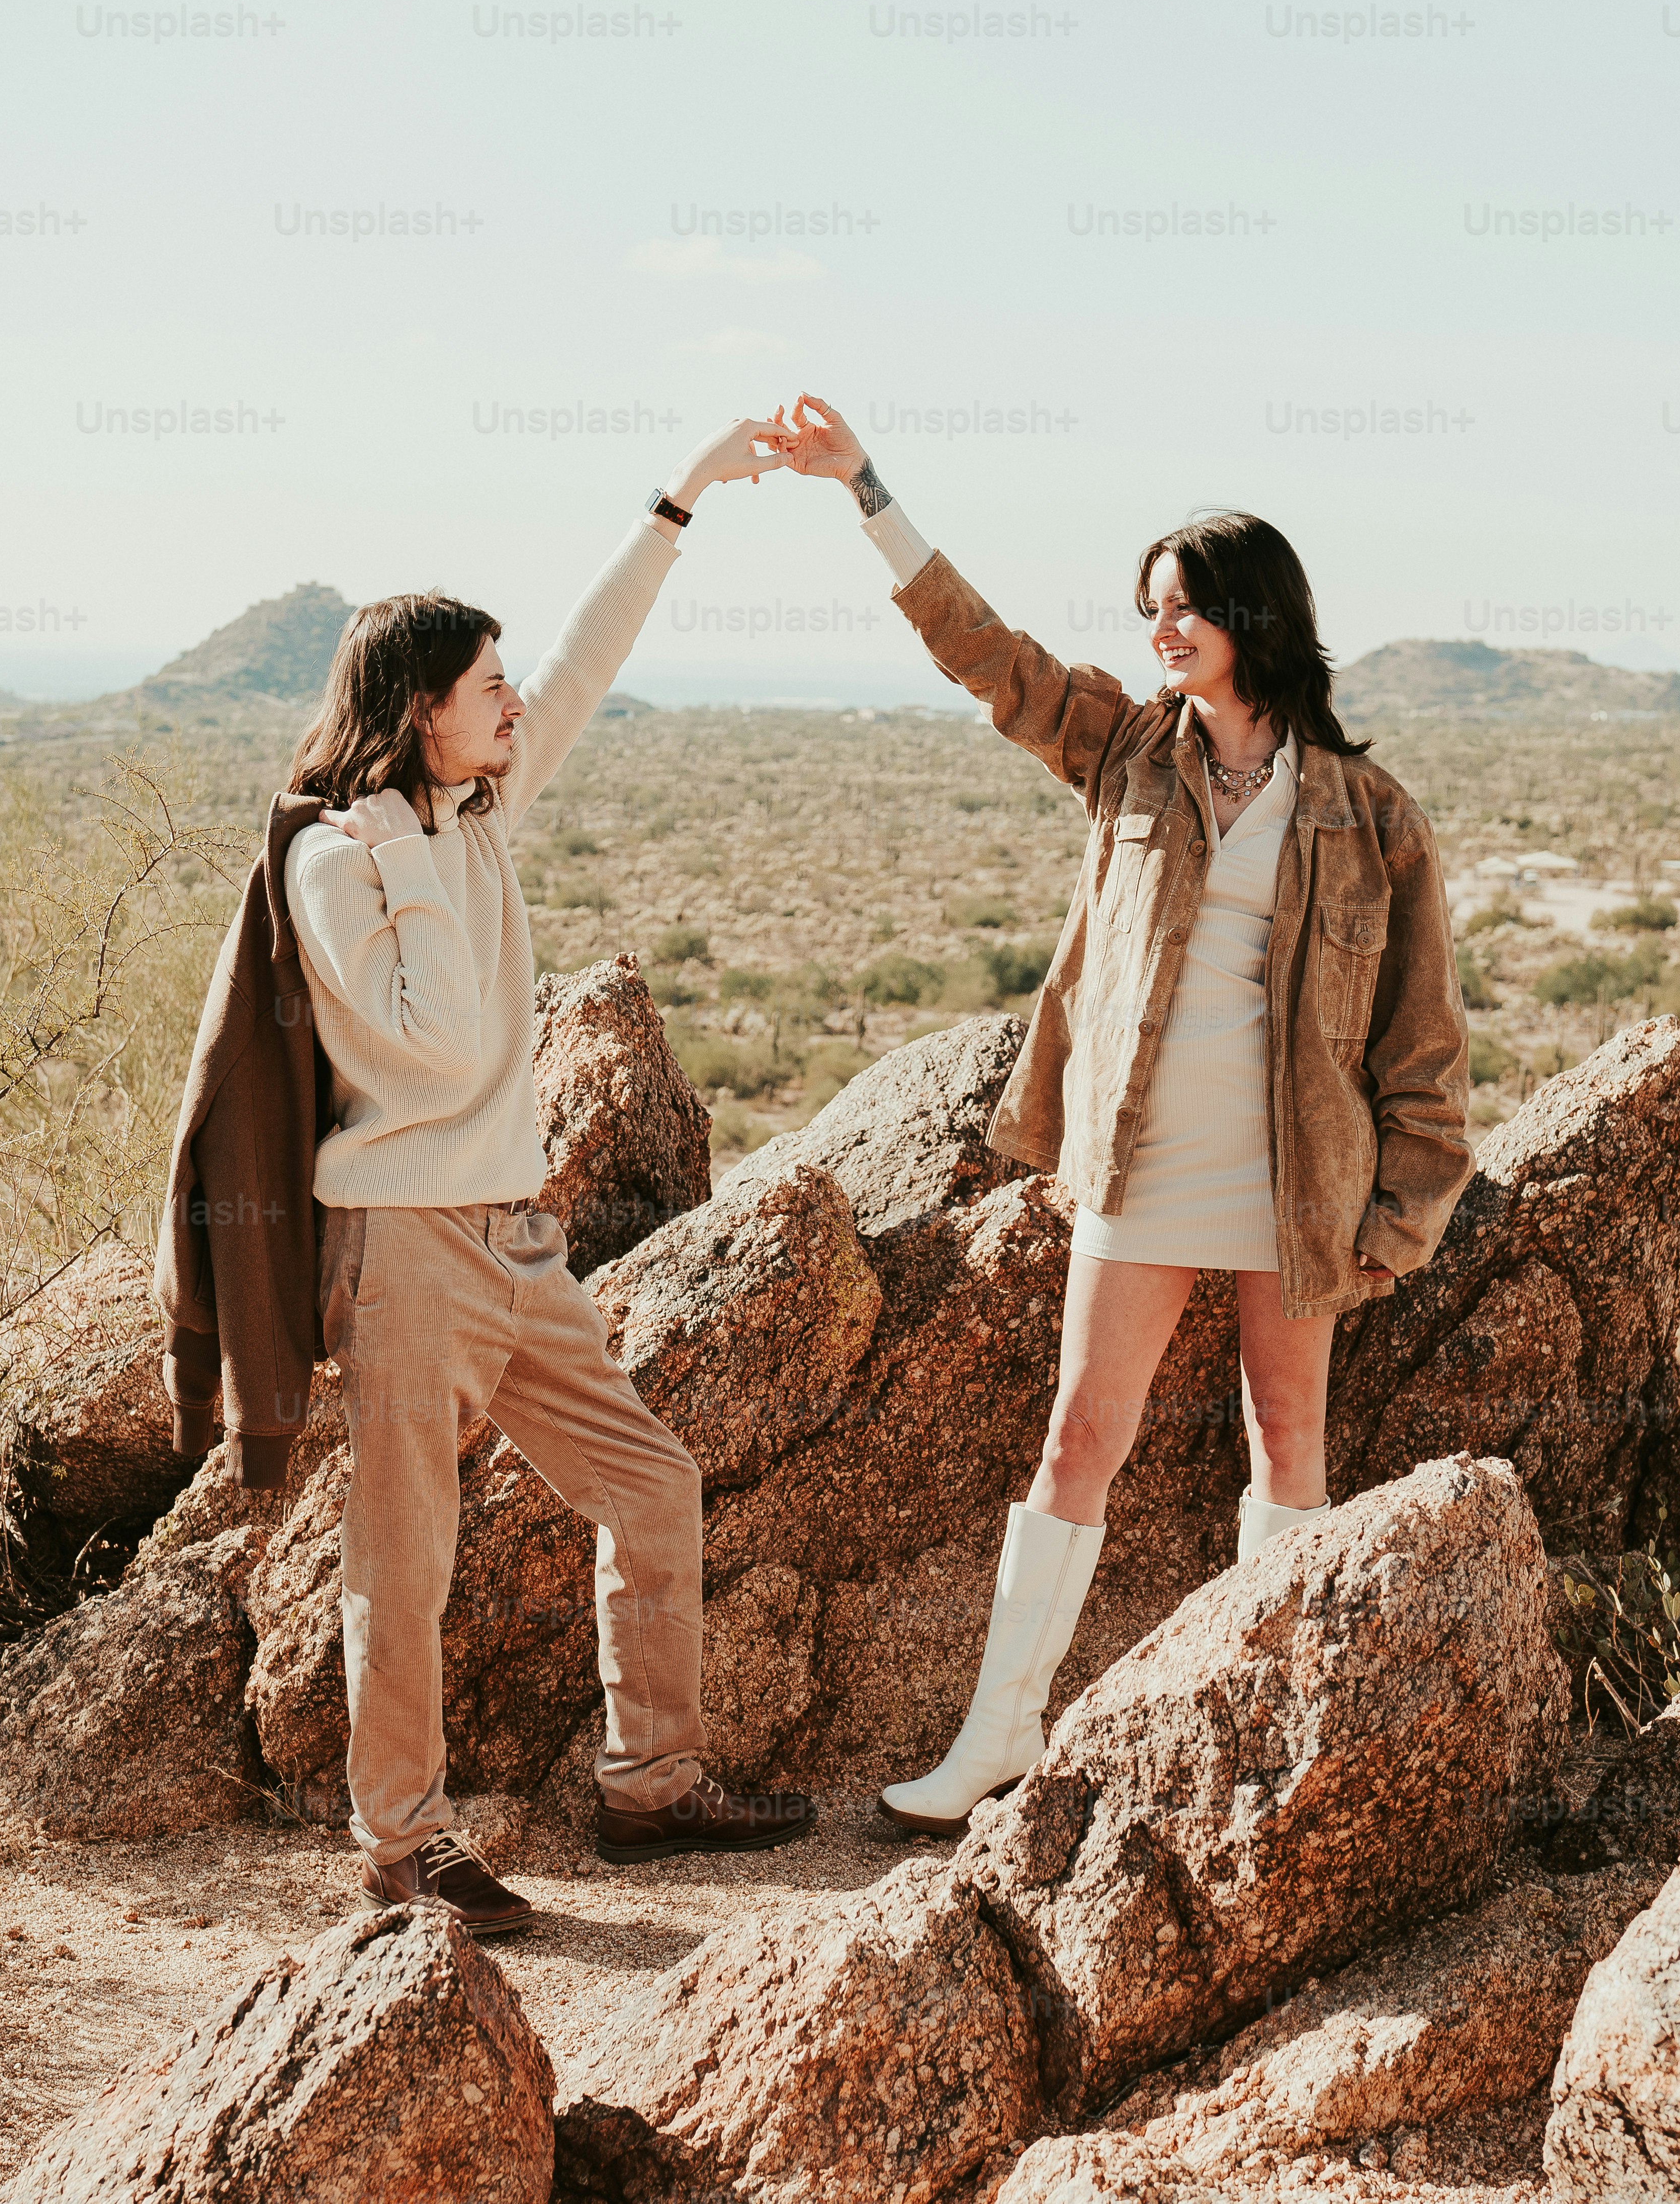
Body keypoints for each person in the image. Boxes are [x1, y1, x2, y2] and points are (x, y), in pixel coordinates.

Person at [772, 396, 1473, 1837]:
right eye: (1147, 607)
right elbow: (989, 659)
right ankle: (997, 1738)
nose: (1160, 628)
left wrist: (1400, 1222)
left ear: (1250, 615)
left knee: (1291, 1445)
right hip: (1145, 1160)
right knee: (1079, 1436)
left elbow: (1425, 1044)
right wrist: (867, 488)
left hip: (1300, 1183)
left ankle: (1274, 1751)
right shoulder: (1125, 753)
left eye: (1184, 606)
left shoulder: (1373, 812)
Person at [279, 415, 821, 1931]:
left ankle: (652, 1784)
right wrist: (399, 845)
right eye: (487, 687)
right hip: (402, 1247)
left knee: (650, 1483)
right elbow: (439, 1051)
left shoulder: (472, 810)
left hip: (516, 1246)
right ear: (419, 710)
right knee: (407, 1559)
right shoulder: (340, 857)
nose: (520, 702)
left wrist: (687, 495)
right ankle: (404, 1839)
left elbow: (588, 656)